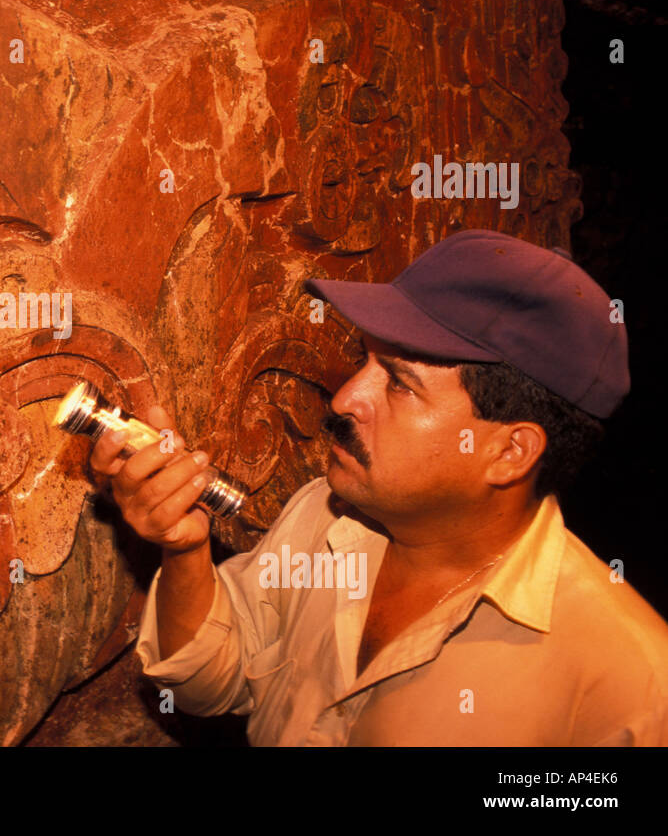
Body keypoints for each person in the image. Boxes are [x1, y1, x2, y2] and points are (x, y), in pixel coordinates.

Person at [89, 229, 668, 744]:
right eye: (363, 360)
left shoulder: (632, 685)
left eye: (398, 383)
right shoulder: (326, 515)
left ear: (509, 452)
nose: (344, 399)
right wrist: (186, 547)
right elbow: (210, 685)